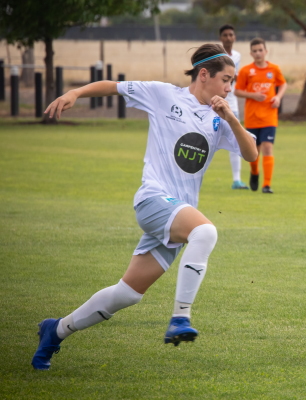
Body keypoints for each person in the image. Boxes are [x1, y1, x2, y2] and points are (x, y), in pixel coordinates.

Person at [31, 44, 258, 370]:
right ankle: (181, 318)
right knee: (206, 232)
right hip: (153, 199)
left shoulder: (219, 119)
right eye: (226, 79)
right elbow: (113, 86)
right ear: (204, 74)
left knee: (128, 294)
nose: (230, 87)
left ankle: (56, 329)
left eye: (232, 81)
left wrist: (231, 117)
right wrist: (75, 92)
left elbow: (251, 155)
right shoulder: (162, 94)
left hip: (177, 212)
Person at [235, 37, 287, 194]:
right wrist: (252, 95)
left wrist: (278, 97)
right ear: (251, 53)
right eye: (255, 51)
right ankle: (254, 172)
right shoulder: (246, 71)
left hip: (269, 116)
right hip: (252, 117)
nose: (258, 53)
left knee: (267, 147)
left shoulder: (274, 69)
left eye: (260, 50)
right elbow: (237, 91)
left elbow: (283, 84)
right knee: (254, 151)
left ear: (266, 51)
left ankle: (266, 185)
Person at [219, 24, 249, 189]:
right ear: (220, 38)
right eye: (225, 35)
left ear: (234, 37)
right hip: (215, 102)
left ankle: (236, 179)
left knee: (235, 140)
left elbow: (235, 78)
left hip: (232, 104)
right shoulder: (216, 55)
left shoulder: (237, 55)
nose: (228, 38)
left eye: (231, 34)